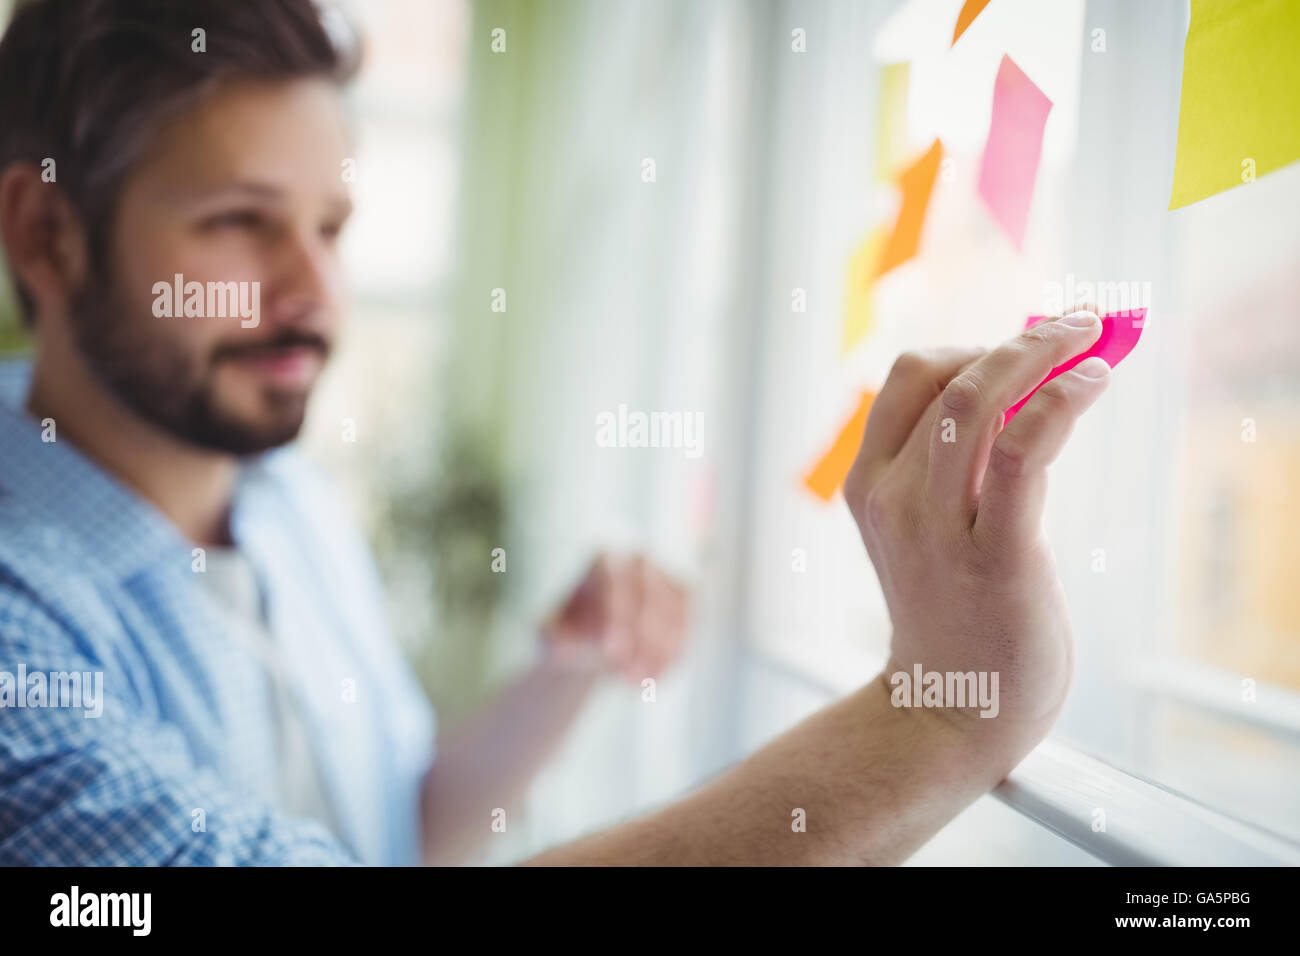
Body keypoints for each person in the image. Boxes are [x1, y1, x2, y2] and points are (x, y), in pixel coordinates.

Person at [0, 0, 1111, 866]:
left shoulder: (279, 491)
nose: (314, 293)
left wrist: (563, 669)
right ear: (48, 233)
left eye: (330, 227)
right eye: (240, 221)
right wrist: (941, 713)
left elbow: (397, 829)